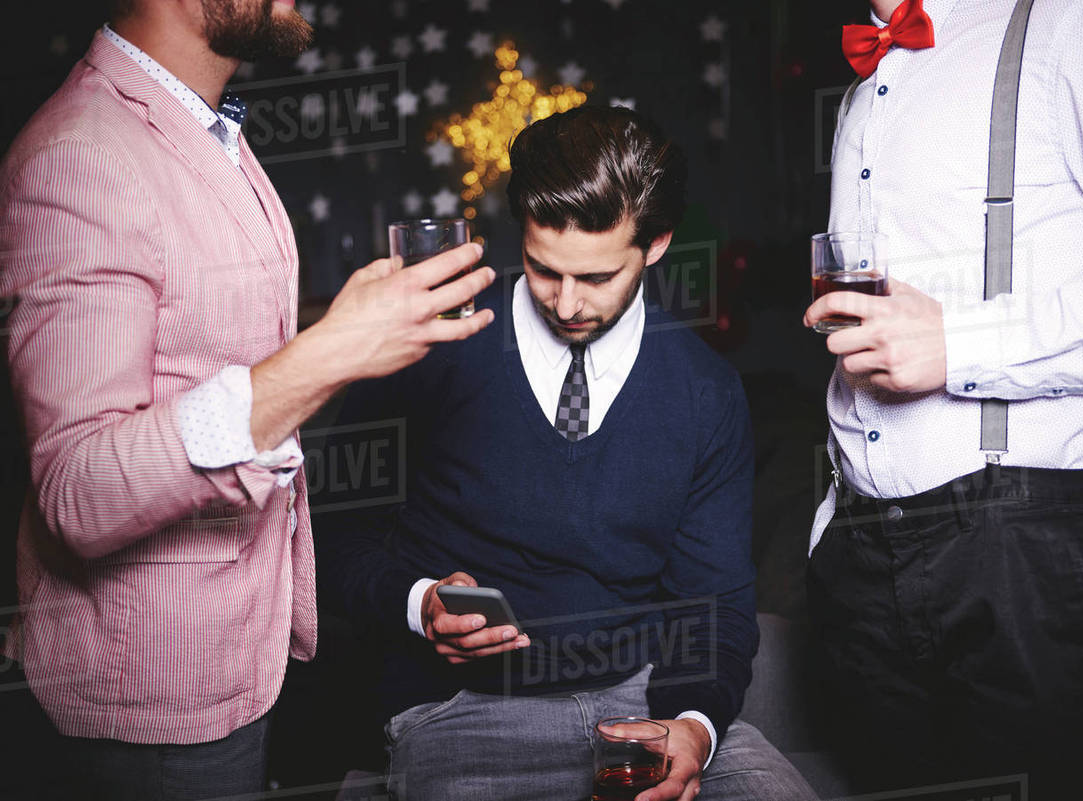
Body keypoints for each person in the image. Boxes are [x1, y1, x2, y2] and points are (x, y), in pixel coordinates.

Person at [0, 0, 495, 796]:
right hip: (150, 698)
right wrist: (327, 354)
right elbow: (77, 488)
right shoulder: (81, 154)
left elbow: (200, 340)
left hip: (239, 659)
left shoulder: (200, 127)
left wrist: (344, 336)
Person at [318, 105, 815, 801]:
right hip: (462, 708)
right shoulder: (429, 347)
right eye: (543, 269)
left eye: (597, 277)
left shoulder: (706, 391)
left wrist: (694, 727)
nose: (567, 303)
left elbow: (715, 605)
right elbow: (328, 532)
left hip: (645, 702)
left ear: (659, 242)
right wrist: (417, 602)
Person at [803, 0, 1083, 798]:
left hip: (1029, 554)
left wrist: (963, 344)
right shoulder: (866, 88)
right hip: (863, 557)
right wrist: (830, 534)